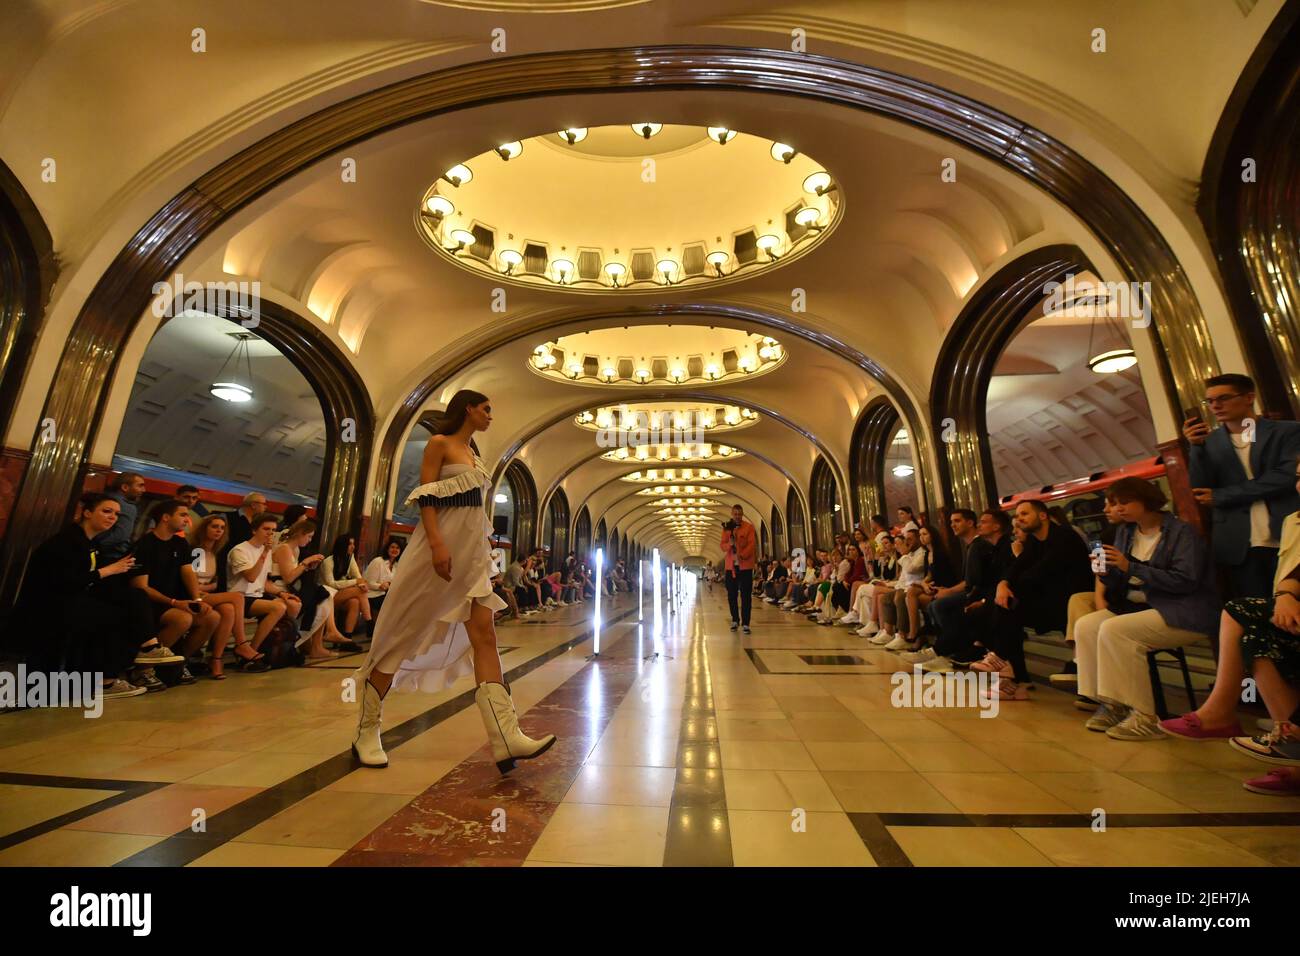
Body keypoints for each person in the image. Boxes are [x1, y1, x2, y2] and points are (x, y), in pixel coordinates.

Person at [353, 390, 555, 774]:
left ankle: (505, 736)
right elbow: (427, 498)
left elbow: (477, 514)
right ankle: (366, 730)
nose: (490, 416)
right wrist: (436, 545)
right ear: (468, 409)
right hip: (438, 552)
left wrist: (486, 561)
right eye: (486, 409)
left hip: (472, 557)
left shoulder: (476, 456)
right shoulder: (439, 443)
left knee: (485, 635)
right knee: (402, 635)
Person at [1073, 477, 1220, 740]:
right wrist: (1105, 570)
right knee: (1086, 625)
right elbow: (1120, 579)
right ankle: (1111, 703)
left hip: (1181, 609)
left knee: (1115, 629)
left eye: (1125, 503)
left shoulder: (1180, 532)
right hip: (1139, 607)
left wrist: (1131, 567)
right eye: (1115, 504)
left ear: (1147, 500)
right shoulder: (1126, 533)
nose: (1118, 509)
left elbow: (1186, 580)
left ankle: (1143, 715)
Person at [11, 493, 183, 700]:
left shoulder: (92, 543)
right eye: (106, 511)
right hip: (49, 607)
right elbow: (65, 581)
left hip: (72, 601)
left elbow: (92, 579)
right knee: (120, 618)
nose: (113, 517)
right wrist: (109, 570)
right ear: (87, 513)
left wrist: (119, 574)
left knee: (133, 598)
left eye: (117, 514)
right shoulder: (67, 541)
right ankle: (106, 679)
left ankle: (146, 649)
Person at [1185, 373, 1300, 598]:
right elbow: (1200, 490)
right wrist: (1196, 448)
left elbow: (1286, 476)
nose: (1215, 405)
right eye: (1209, 401)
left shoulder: (1288, 431)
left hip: (1286, 536)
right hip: (1238, 543)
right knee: (1256, 613)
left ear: (1249, 397)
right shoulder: (1209, 443)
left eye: (1223, 398)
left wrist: (1223, 495)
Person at [975, 499, 1093, 700]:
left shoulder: (1064, 536)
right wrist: (1003, 584)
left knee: (1008, 605)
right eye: (1018, 515)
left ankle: (1006, 667)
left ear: (1042, 515)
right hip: (1052, 602)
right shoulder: (1033, 540)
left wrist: (1008, 588)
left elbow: (1040, 572)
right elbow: (1019, 567)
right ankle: (1012, 676)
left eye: (1024, 514)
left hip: (1072, 603)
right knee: (1004, 606)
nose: (1019, 519)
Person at [128, 498, 222, 684]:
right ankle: (142, 670)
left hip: (175, 600)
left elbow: (188, 572)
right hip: (149, 604)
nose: (187, 519)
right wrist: (175, 603)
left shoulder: (179, 544)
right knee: (182, 618)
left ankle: (178, 662)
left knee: (212, 617)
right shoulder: (145, 545)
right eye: (183, 514)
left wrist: (197, 600)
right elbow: (141, 587)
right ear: (165, 518)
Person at [189, 513, 265, 676]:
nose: (218, 531)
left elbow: (215, 582)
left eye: (222, 528)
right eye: (214, 526)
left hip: (205, 592)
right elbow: (193, 581)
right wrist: (206, 586)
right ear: (204, 528)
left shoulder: (215, 553)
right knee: (237, 596)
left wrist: (208, 586)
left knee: (229, 609)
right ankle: (242, 643)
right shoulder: (198, 551)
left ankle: (216, 659)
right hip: (194, 594)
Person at [227, 512, 299, 658]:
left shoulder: (263, 550)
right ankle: (251, 649)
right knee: (278, 607)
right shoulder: (240, 550)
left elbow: (264, 582)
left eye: (273, 530)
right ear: (254, 530)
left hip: (257, 595)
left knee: (293, 603)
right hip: (241, 596)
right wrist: (265, 552)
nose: (270, 533)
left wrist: (281, 593)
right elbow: (251, 577)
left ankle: (281, 646)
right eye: (266, 529)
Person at [323, 533, 372, 639]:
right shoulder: (328, 561)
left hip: (341, 595)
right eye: (350, 544)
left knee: (355, 602)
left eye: (353, 544)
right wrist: (356, 582)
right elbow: (331, 584)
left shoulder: (350, 558)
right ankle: (369, 623)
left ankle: (347, 636)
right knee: (359, 590)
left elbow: (358, 577)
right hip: (327, 595)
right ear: (342, 545)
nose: (353, 547)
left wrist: (362, 584)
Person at [720, 503, 757, 634]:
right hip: (731, 567)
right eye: (735, 514)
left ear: (742, 514)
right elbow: (722, 545)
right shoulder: (726, 528)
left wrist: (742, 555)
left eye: (739, 514)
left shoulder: (749, 527)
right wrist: (729, 545)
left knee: (746, 595)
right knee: (732, 595)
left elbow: (752, 545)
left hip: (745, 566)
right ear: (732, 514)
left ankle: (746, 623)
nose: (737, 516)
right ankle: (735, 619)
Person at [94, 471, 146, 562]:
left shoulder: (102, 498)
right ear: (125, 487)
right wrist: (95, 545)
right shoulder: (127, 507)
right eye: (140, 486)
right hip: (111, 556)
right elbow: (121, 535)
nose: (143, 490)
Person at [219, 491, 268, 588]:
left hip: (248, 564)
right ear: (253, 505)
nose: (265, 507)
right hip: (226, 561)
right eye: (264, 504)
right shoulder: (227, 517)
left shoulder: (258, 523)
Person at [364, 537, 404, 626]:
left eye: (397, 548)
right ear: (387, 548)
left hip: (386, 593)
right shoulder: (378, 561)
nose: (395, 550)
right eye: (392, 547)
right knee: (388, 602)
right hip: (372, 593)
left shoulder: (397, 565)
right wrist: (380, 586)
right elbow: (369, 583)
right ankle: (377, 628)